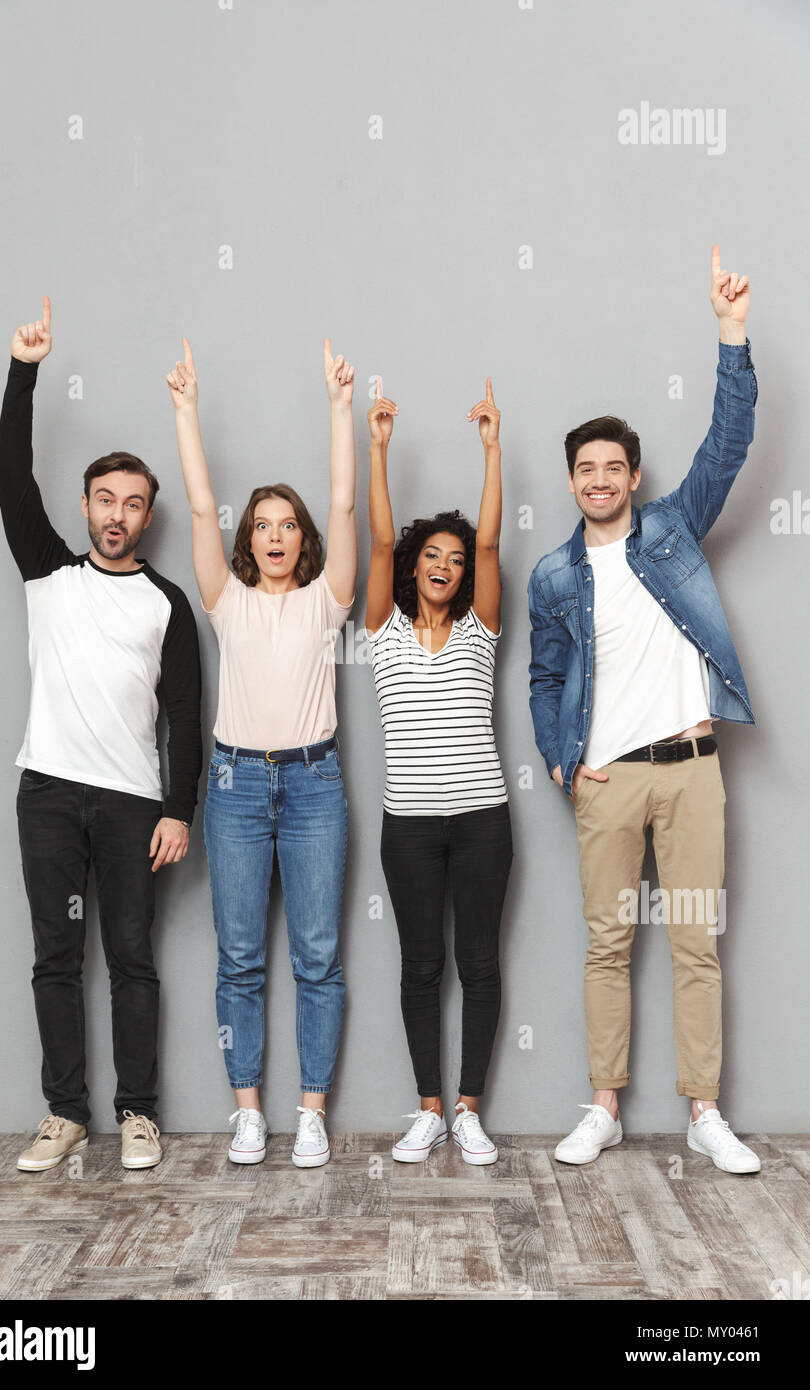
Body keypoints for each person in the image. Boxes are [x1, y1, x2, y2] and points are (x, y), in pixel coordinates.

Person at [528, 246, 761, 1174]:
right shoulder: (555, 574)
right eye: (584, 468)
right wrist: (557, 756)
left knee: (697, 942)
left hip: (694, 771)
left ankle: (705, 1113)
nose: (598, 480)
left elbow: (728, 445)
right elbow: (543, 679)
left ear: (632, 477)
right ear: (573, 479)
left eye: (613, 466)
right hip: (610, 780)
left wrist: (730, 334)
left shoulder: (670, 530)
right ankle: (605, 1108)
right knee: (608, 946)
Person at [0, 297, 202, 1174]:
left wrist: (177, 809)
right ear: (85, 506)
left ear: (148, 516)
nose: (117, 514)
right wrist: (23, 371)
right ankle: (64, 1114)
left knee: (131, 961)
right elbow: (10, 477)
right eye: (105, 499)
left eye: (133, 503)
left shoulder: (168, 603)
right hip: (47, 788)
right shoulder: (49, 574)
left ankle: (138, 1113)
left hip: (129, 803)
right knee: (54, 957)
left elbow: (188, 713)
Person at [167, 337, 356, 1168]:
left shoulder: (327, 601)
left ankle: (311, 1112)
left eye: (288, 525)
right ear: (249, 540)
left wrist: (340, 408)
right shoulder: (226, 602)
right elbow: (201, 509)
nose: (275, 535)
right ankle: (249, 1110)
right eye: (262, 526)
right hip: (237, 785)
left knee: (317, 955)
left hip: (315, 785)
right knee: (240, 956)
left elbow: (347, 508)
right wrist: (185, 411)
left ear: (303, 539)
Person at [366, 376, 513, 1166]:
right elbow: (379, 543)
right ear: (415, 566)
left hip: (484, 818)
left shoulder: (480, 631)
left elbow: (492, 544)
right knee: (420, 964)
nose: (447, 565)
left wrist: (492, 450)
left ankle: (469, 1109)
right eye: (435, 555)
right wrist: (378, 449)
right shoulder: (382, 628)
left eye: (455, 560)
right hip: (409, 826)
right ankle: (428, 1108)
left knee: (480, 961)